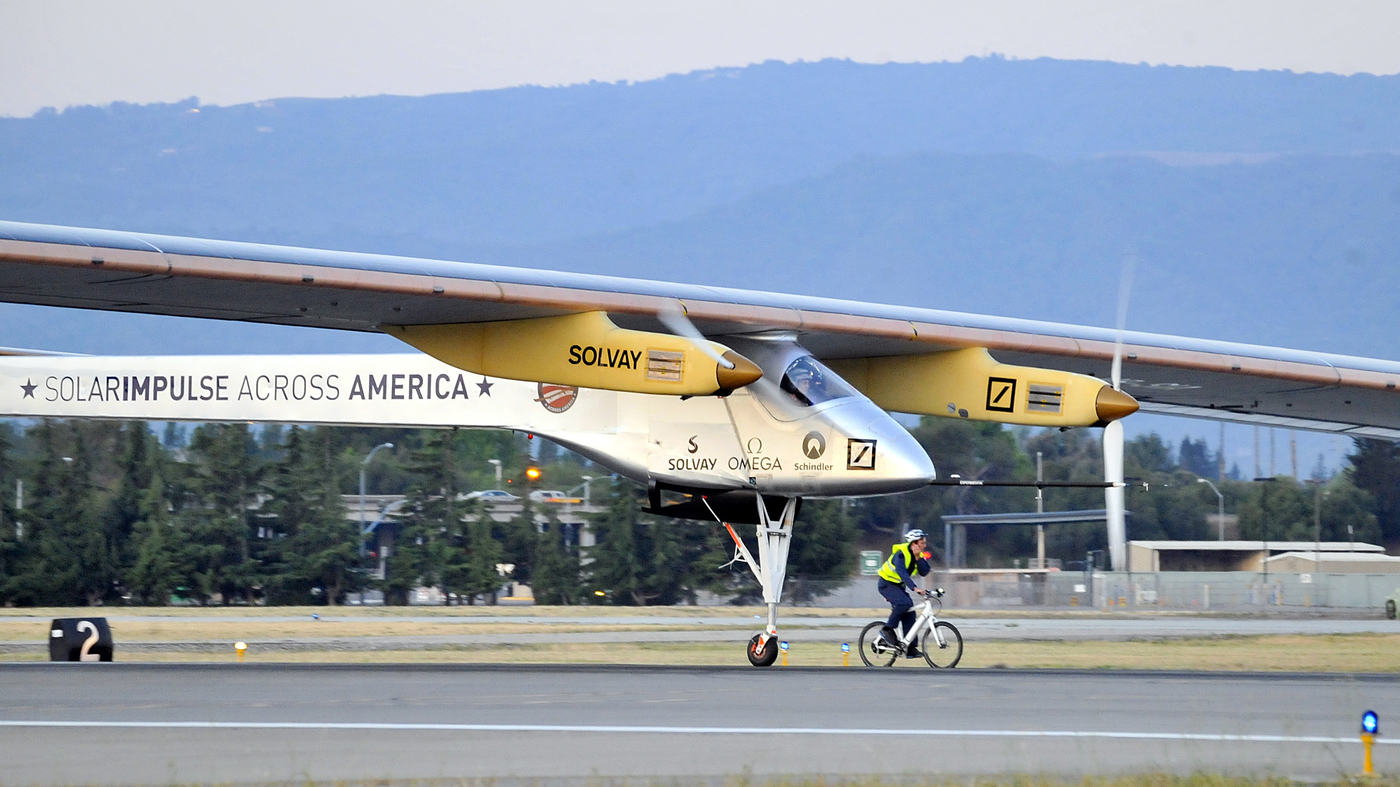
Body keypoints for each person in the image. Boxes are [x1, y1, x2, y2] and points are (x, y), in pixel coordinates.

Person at [877, 529, 932, 657]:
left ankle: (910, 648)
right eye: (922, 543)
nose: (925, 545)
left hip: (898, 586)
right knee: (904, 603)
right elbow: (903, 574)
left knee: (910, 611)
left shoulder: (917, 555)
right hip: (886, 584)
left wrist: (918, 558)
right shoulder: (900, 555)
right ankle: (887, 630)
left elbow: (924, 572)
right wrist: (914, 588)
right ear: (914, 543)